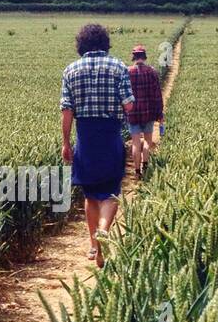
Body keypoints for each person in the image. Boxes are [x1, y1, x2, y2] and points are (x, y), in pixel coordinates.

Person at [60, 23, 135, 267]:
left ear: (80, 44)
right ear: (105, 43)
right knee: (111, 191)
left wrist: (66, 144)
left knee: (90, 194)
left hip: (86, 137)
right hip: (111, 134)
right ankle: (104, 231)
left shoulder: (71, 70)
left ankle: (93, 244)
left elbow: (67, 111)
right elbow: (128, 105)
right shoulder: (119, 67)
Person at [127, 45, 164, 179]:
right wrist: (159, 113)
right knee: (148, 141)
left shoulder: (128, 72)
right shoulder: (152, 72)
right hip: (148, 113)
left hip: (132, 114)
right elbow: (157, 95)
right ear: (144, 57)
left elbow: (124, 95)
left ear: (134, 57)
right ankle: (146, 166)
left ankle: (137, 172)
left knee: (136, 142)